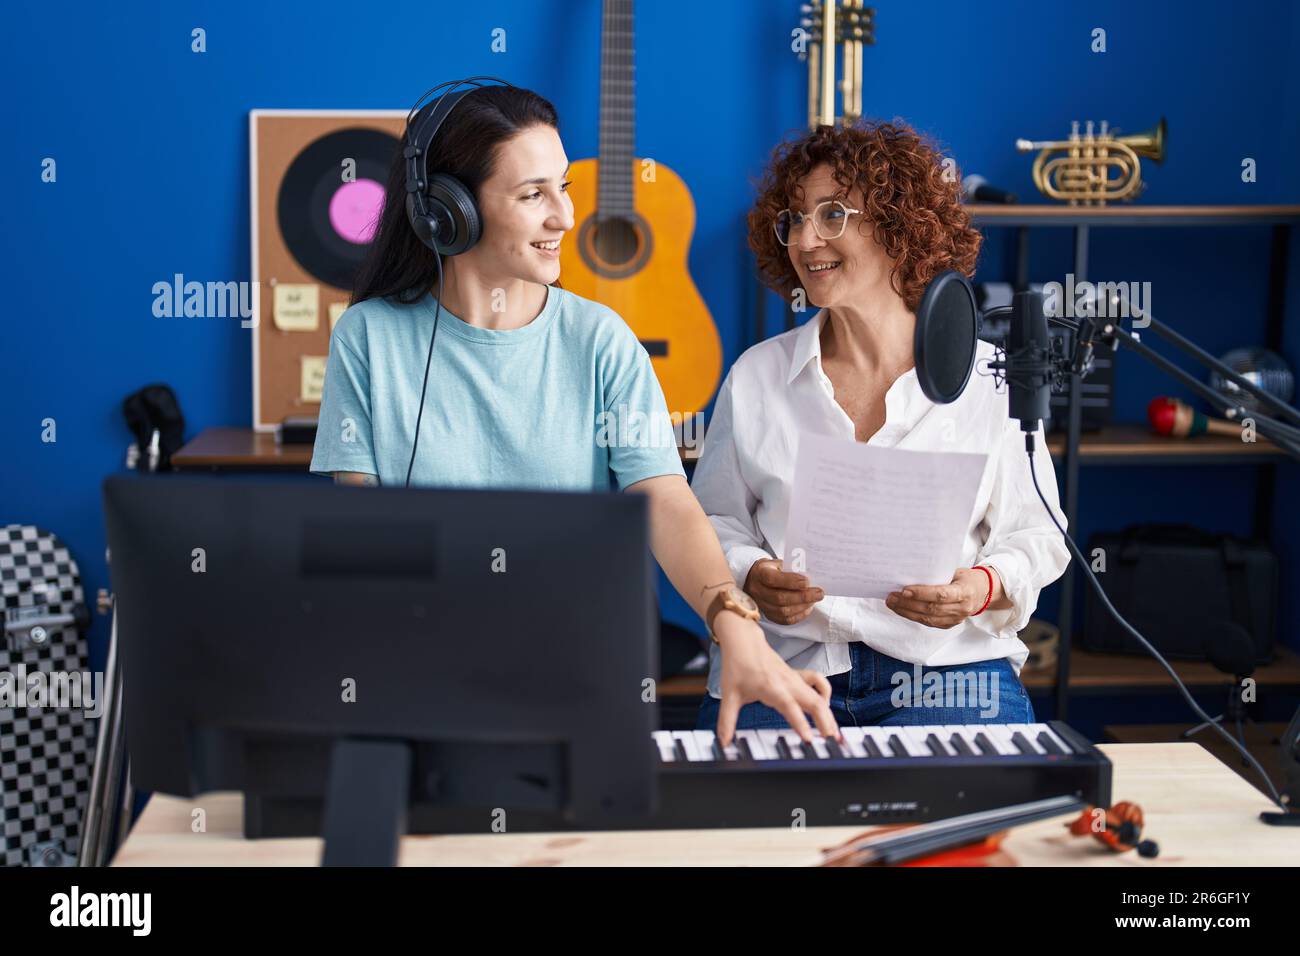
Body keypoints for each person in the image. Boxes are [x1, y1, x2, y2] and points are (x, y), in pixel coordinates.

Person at [308, 81, 840, 745]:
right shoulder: (368, 338)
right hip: (420, 672)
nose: (565, 215)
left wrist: (735, 624)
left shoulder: (601, 339)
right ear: (450, 209)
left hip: (579, 671)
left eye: (563, 186)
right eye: (534, 194)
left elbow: (666, 503)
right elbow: (363, 537)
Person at [691, 119, 1072, 731]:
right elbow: (711, 521)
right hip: (788, 668)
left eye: (834, 215)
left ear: (899, 228)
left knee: (989, 822)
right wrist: (751, 574)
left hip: (951, 672)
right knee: (742, 824)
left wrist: (980, 585)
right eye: (795, 219)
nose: (806, 239)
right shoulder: (757, 376)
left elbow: (1040, 533)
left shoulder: (989, 378)